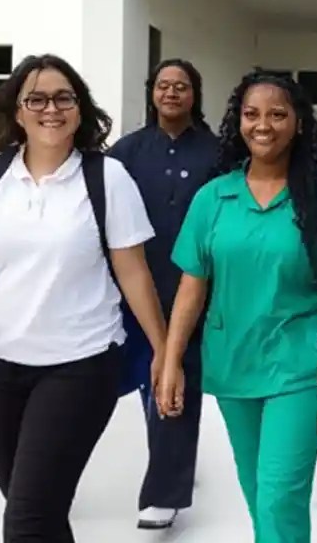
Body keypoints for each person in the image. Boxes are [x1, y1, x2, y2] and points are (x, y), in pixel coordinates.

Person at [0, 54, 169, 543]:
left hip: (79, 364)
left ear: (80, 109)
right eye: (37, 99)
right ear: (17, 111)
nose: (52, 108)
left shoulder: (106, 179)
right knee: (34, 507)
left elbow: (134, 273)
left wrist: (163, 352)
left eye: (64, 97)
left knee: (27, 517)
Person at [155, 70, 317, 543]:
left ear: (298, 123)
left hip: (300, 364)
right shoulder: (214, 197)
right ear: (237, 122)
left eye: (278, 114)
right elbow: (191, 288)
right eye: (252, 114)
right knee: (258, 492)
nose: (264, 125)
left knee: (281, 493)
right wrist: (171, 359)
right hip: (233, 362)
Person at [108, 58, 219, 530]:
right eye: (164, 85)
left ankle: (164, 492)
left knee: (179, 380)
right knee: (149, 380)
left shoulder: (218, 153)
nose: (172, 93)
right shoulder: (126, 153)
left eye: (182, 86)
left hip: (196, 289)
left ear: (195, 94)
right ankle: (173, 460)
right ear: (152, 93)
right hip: (138, 292)